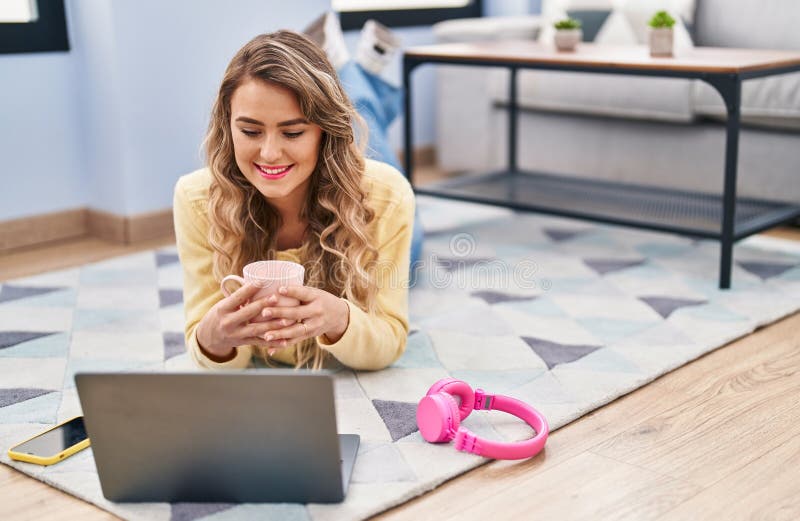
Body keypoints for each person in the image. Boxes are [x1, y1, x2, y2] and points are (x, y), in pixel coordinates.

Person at [173, 30, 414, 371]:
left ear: (324, 132)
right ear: (228, 127)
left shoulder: (386, 196)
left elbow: (388, 341)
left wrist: (339, 317)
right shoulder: (196, 198)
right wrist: (211, 338)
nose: (270, 153)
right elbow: (220, 357)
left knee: (375, 136)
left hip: (368, 214)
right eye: (251, 131)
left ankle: (354, 69)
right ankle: (352, 67)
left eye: (293, 132)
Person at [304, 13, 424, 270]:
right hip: (388, 245)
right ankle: (358, 71)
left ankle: (348, 72)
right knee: (362, 113)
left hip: (378, 250)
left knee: (356, 116)